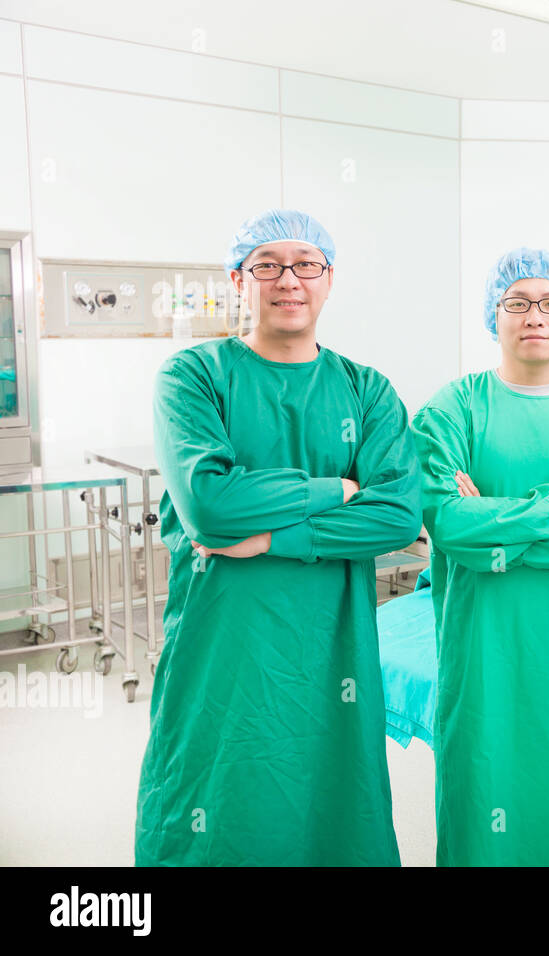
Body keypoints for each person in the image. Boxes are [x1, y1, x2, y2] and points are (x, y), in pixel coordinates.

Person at [136, 209, 423, 866]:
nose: (288, 279)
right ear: (239, 279)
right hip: (225, 641)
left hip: (331, 642)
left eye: (306, 264)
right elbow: (211, 502)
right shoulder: (194, 377)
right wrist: (335, 489)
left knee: (332, 797)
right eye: (267, 264)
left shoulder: (367, 391)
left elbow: (398, 517)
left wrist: (270, 540)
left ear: (329, 280)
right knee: (222, 796)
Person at [411, 247, 549, 866]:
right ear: (494, 314)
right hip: (483, 642)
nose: (535, 314)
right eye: (518, 302)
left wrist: (499, 530)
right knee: (484, 774)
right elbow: (451, 525)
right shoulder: (452, 408)